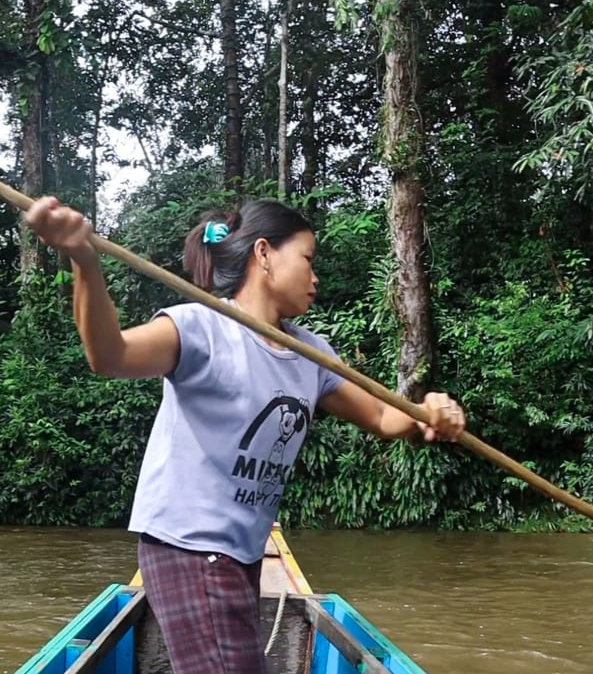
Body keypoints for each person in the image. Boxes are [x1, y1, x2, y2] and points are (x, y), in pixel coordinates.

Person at [25, 195, 465, 674]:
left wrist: (425, 414)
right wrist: (84, 262)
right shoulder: (200, 328)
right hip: (188, 546)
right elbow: (108, 357)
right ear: (263, 254)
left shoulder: (311, 353)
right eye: (308, 260)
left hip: (242, 551)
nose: (316, 278)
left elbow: (383, 419)